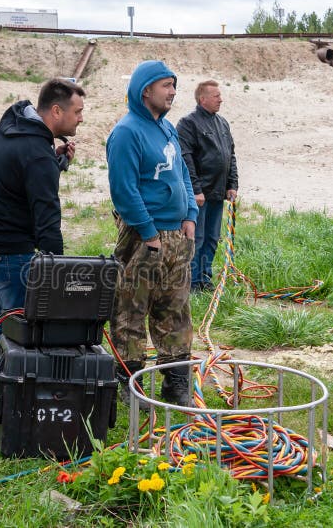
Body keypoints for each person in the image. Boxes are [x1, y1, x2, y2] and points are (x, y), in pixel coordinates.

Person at [0, 78, 85, 353]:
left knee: (3, 321)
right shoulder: (38, 155)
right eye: (77, 112)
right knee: (21, 329)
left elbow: (20, 174)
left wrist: (54, 163)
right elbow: (47, 221)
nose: (81, 118)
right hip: (5, 253)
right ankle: (10, 378)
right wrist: (58, 272)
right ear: (56, 111)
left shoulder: (14, 124)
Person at [106, 60, 198, 407]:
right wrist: (148, 232)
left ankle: (176, 386)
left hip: (177, 235)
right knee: (131, 310)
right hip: (144, 237)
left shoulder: (167, 129)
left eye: (174, 85)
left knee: (175, 309)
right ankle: (131, 389)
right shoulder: (126, 132)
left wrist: (190, 215)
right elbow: (124, 189)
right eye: (166, 86)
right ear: (146, 91)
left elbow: (182, 174)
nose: (173, 92)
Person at [176, 80, 239, 292]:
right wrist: (195, 190)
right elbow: (185, 159)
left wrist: (232, 184)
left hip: (217, 193)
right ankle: (192, 282)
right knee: (197, 238)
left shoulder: (222, 123)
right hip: (199, 195)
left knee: (212, 238)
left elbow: (230, 155)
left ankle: (205, 278)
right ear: (203, 99)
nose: (221, 99)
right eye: (216, 96)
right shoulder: (188, 124)